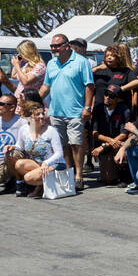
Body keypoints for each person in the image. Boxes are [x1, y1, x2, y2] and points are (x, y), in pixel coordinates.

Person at [39, 33, 95, 191]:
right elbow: (46, 86)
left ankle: (79, 175)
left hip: (76, 112)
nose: (54, 49)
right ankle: (69, 174)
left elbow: (89, 86)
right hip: (56, 112)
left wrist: (87, 108)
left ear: (67, 45)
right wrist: (33, 98)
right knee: (62, 145)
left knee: (76, 144)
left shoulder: (81, 62)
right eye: (52, 46)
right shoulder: (51, 63)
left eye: (57, 46)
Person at [8, 101, 65, 198]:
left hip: (54, 164)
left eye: (43, 113)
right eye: (37, 114)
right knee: (18, 164)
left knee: (28, 178)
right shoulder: (24, 129)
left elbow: (59, 153)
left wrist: (47, 163)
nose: (42, 116)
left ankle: (41, 186)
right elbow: (20, 146)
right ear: (29, 117)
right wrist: (12, 147)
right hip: (38, 165)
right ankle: (42, 184)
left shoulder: (51, 130)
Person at [89, 86, 133, 187]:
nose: (107, 97)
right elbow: (94, 132)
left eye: (112, 96)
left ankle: (125, 176)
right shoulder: (98, 108)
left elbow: (124, 134)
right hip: (105, 144)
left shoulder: (124, 110)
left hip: (118, 145)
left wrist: (103, 146)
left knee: (119, 145)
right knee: (108, 180)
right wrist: (108, 141)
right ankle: (109, 172)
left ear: (118, 99)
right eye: (106, 94)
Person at [10, 40, 47, 105]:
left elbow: (26, 81)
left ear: (27, 52)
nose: (20, 55)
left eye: (21, 53)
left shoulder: (40, 66)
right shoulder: (27, 65)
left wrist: (17, 66)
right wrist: (18, 63)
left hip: (30, 102)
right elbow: (14, 76)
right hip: (20, 101)